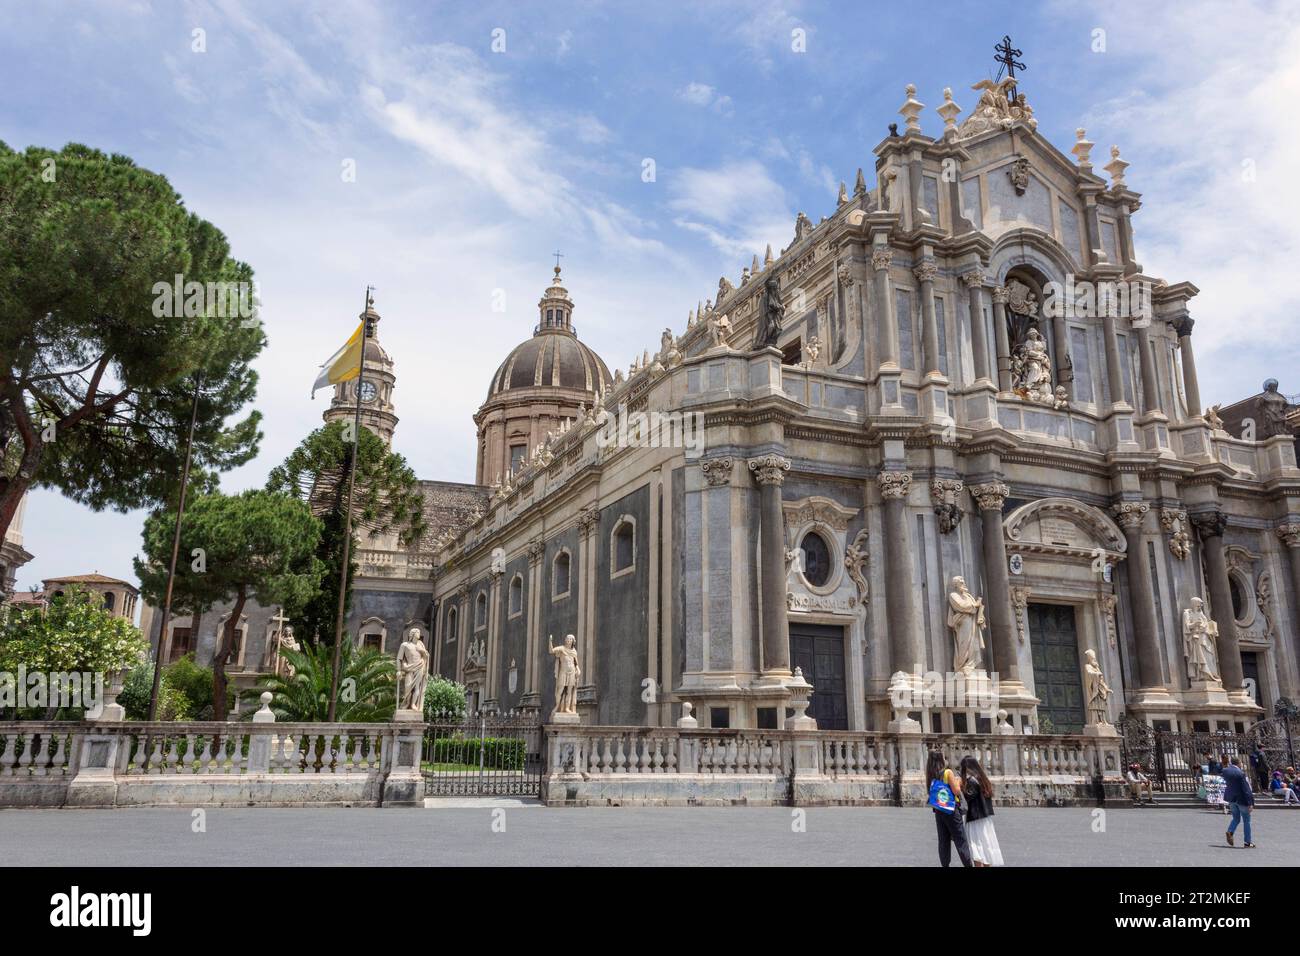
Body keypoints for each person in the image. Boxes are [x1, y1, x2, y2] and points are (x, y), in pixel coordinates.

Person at [926, 750, 972, 868]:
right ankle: (968, 865)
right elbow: (956, 790)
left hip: (939, 810)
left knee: (943, 841)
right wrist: (958, 781)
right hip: (951, 810)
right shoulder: (947, 772)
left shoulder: (930, 775)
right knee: (960, 839)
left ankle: (945, 865)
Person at [959, 756, 1003, 866]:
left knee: (975, 845)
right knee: (986, 844)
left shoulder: (972, 781)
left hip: (975, 818)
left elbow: (968, 797)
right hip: (985, 818)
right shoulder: (982, 779)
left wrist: (959, 788)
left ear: (968, 767)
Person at [1222, 756, 1255, 848]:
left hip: (1231, 799)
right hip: (1242, 799)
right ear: (1239, 763)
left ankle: (1230, 831)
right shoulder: (1241, 773)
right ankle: (1247, 842)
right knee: (1246, 821)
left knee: (1236, 818)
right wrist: (1250, 803)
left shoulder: (1225, 771)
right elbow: (1246, 789)